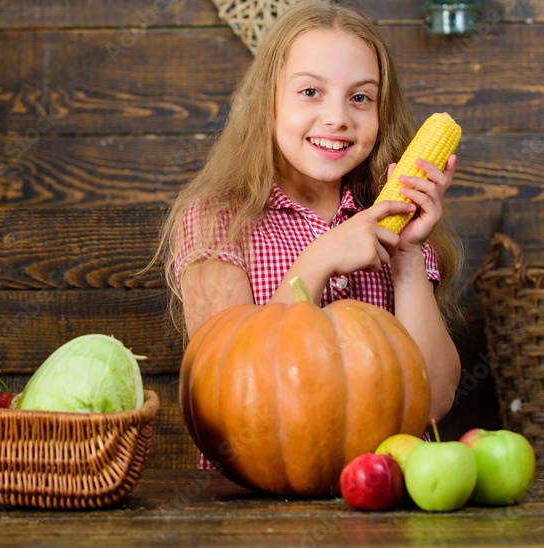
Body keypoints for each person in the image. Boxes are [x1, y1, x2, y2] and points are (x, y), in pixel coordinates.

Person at [154, 0, 462, 467]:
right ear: (268, 101)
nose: (338, 117)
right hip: (262, 495)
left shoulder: (389, 219)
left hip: (384, 487)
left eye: (360, 97)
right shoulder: (218, 220)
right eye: (311, 92)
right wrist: (318, 260)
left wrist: (408, 256)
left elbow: (434, 399)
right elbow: (231, 391)